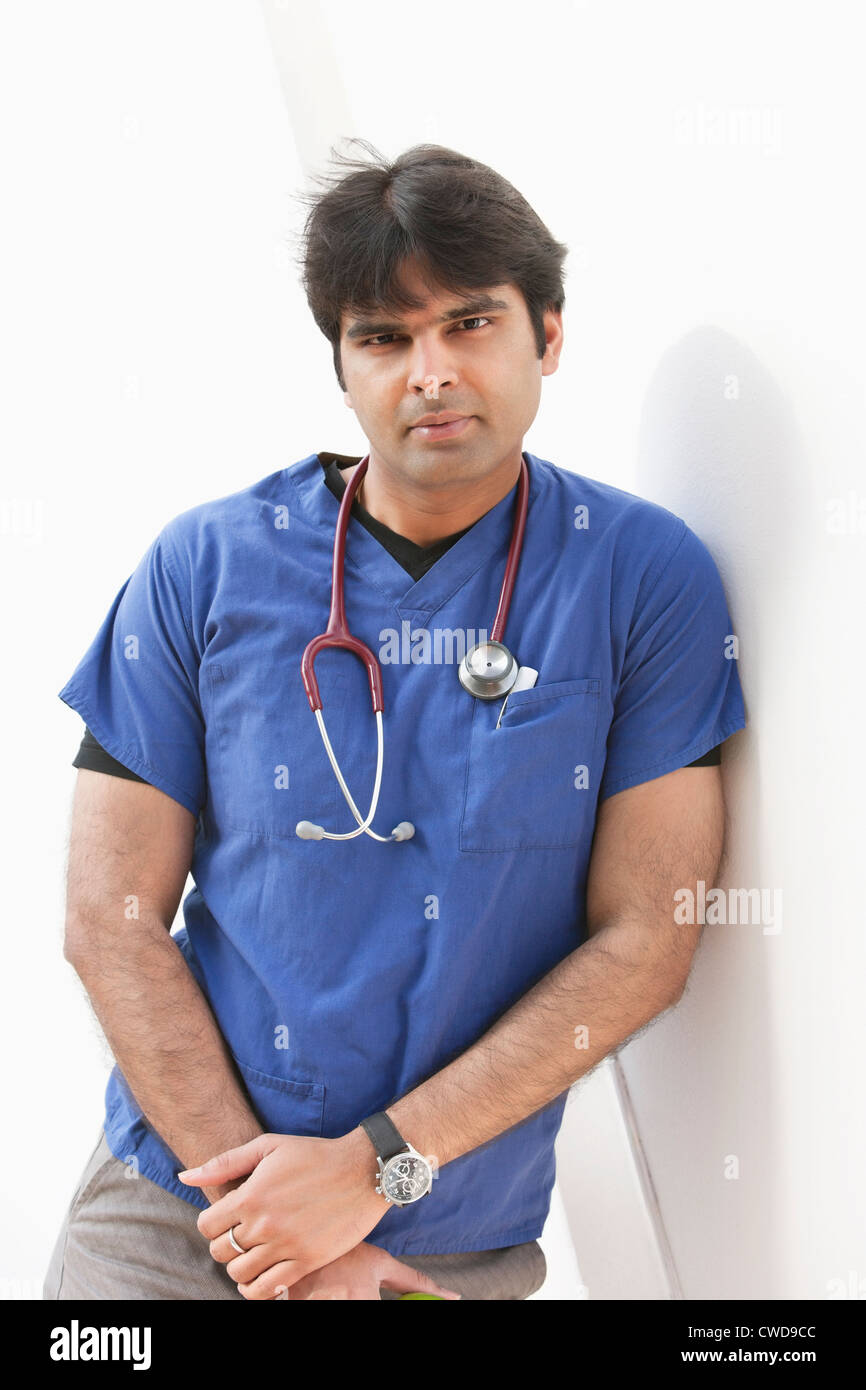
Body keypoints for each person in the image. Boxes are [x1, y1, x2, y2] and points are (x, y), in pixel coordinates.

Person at [45, 140, 745, 1302]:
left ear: (548, 335)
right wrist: (274, 1226)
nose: (428, 371)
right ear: (342, 365)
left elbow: (646, 937)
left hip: (445, 1236)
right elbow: (106, 919)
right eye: (383, 337)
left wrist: (376, 1170)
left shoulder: (639, 578)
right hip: (168, 1219)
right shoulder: (204, 567)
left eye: (469, 324)